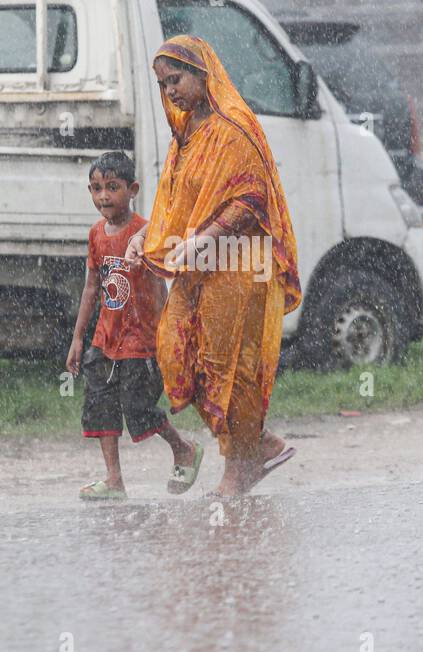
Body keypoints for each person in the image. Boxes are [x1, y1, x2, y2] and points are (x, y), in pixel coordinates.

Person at [124, 35, 301, 497]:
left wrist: (206, 238)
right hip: (196, 265)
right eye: (163, 85)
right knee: (177, 353)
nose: (171, 92)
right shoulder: (186, 134)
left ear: (204, 74)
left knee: (229, 365)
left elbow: (251, 198)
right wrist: (149, 235)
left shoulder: (234, 128)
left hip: (239, 264)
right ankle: (261, 443)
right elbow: (176, 200)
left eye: (177, 79)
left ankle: (238, 468)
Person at [67, 151, 202, 500]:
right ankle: (114, 480)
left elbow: (161, 285)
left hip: (141, 339)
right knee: (99, 405)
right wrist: (78, 337)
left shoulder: (147, 232)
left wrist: (167, 339)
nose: (104, 197)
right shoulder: (96, 234)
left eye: (113, 187)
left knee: (139, 408)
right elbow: (92, 286)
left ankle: (183, 448)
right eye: (97, 189)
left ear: (133, 189)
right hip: (106, 338)